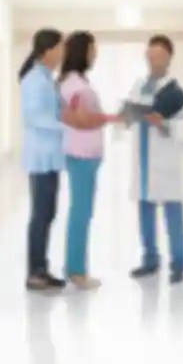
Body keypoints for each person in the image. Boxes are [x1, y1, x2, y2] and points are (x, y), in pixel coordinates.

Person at [125, 35, 183, 284]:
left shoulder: (177, 92)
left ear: (169, 58)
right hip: (142, 160)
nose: (153, 60)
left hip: (166, 162)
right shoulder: (139, 85)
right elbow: (129, 115)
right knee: (145, 211)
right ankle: (150, 260)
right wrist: (129, 114)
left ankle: (179, 263)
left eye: (159, 55)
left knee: (173, 213)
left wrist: (163, 124)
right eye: (150, 55)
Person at [57, 31, 117, 291]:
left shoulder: (77, 81)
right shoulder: (74, 85)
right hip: (81, 156)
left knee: (81, 211)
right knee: (81, 212)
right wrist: (110, 118)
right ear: (83, 52)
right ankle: (77, 271)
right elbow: (80, 119)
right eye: (92, 50)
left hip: (85, 156)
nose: (95, 55)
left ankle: (75, 267)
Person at [18, 28, 68, 291]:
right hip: (40, 158)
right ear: (47, 50)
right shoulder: (33, 80)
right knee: (40, 215)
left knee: (48, 214)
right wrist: (65, 125)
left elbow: (53, 110)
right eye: (59, 48)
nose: (62, 54)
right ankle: (35, 272)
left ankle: (42, 268)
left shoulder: (47, 78)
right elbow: (34, 117)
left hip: (50, 157)